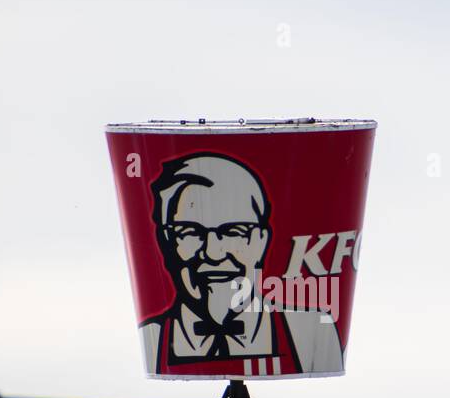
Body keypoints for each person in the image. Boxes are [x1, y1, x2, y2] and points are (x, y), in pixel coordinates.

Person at [139, 153, 343, 378]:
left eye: (233, 232)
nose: (213, 253)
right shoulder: (153, 338)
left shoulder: (310, 331)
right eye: (190, 232)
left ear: (261, 241)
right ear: (166, 242)